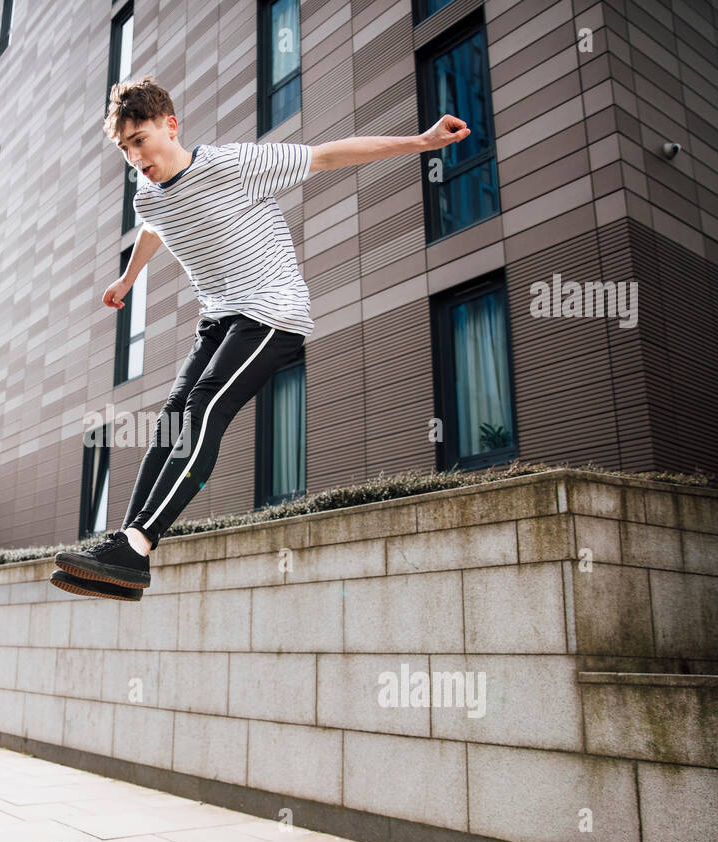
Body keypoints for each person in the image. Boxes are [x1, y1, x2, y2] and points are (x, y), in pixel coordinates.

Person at [53, 75, 468, 600]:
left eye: (141, 141)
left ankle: (139, 542)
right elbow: (155, 225)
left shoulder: (234, 165)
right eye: (125, 149)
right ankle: (126, 557)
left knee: (204, 409)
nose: (135, 157)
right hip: (220, 318)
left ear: (170, 126)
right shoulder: (147, 195)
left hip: (273, 313)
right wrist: (128, 278)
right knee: (169, 421)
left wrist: (422, 142)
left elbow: (327, 157)